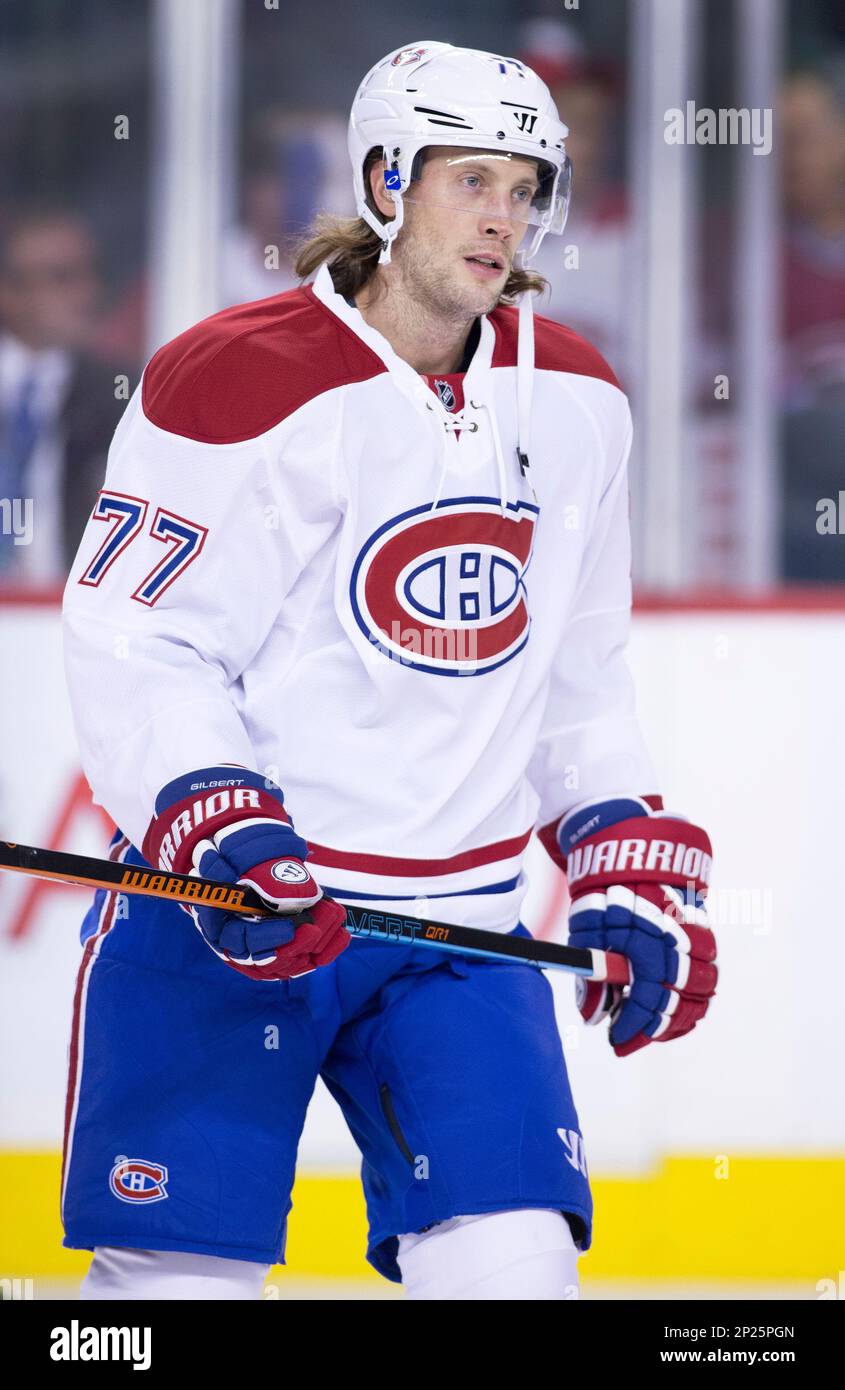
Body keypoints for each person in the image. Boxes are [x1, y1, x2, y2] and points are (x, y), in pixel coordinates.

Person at [60, 41, 717, 1302]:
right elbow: (140, 637)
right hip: (232, 918)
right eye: (472, 179)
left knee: (517, 1273)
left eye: (526, 186)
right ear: (382, 179)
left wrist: (614, 845)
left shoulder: (577, 399)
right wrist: (214, 823)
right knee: (167, 1291)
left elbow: (577, 673)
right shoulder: (235, 380)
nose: (504, 215)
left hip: (457, 933)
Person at [0, 207, 127, 583]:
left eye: (91, 273)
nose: (87, 294)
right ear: (8, 292)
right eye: (61, 278)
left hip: (62, 616)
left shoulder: (122, 396)